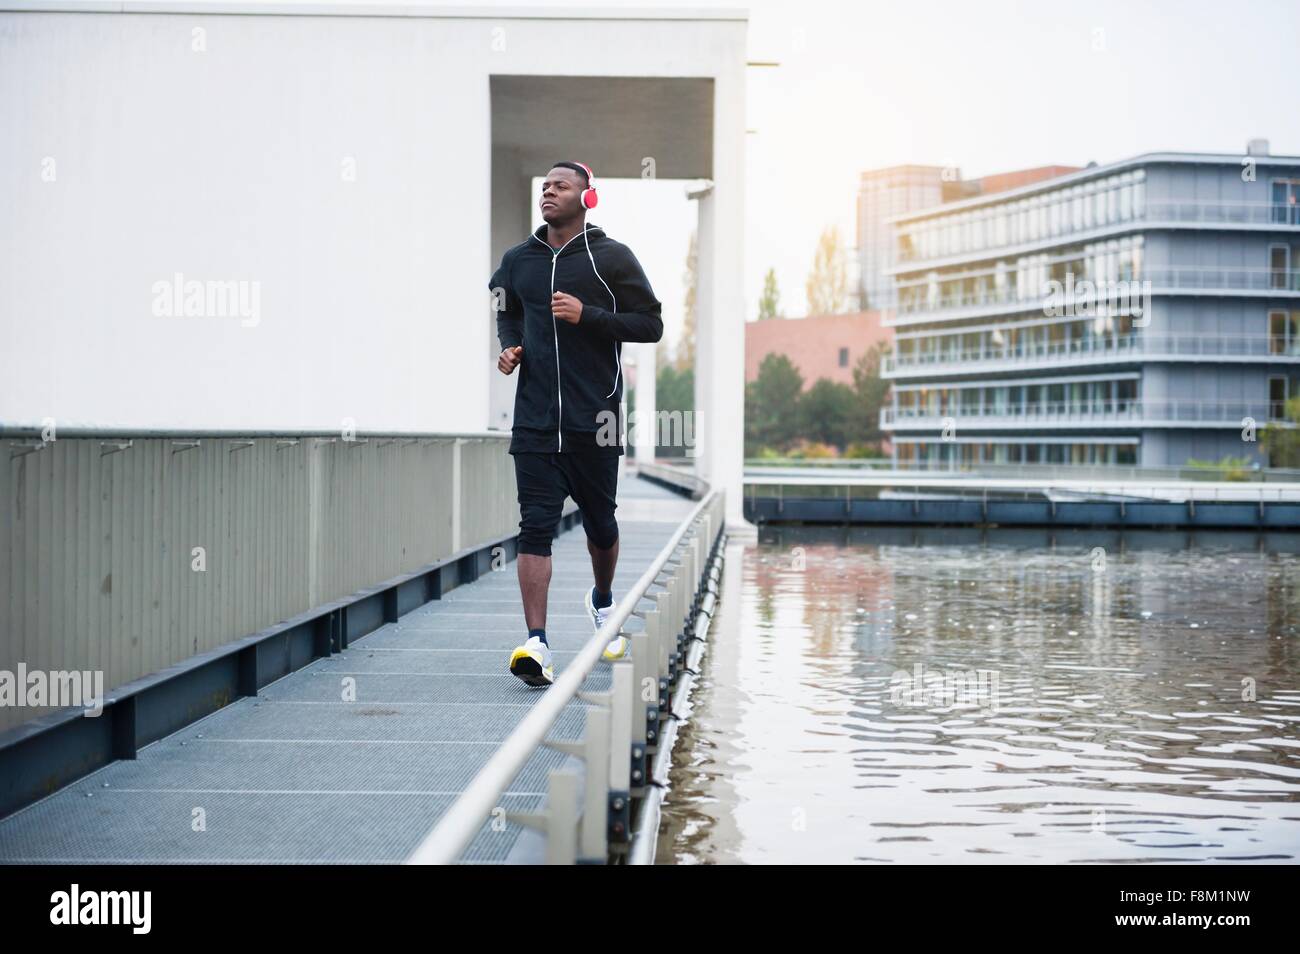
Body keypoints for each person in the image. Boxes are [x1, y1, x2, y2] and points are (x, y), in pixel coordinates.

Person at [490, 161, 664, 687]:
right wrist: (510, 345)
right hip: (537, 423)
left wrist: (589, 315)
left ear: (587, 199)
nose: (548, 192)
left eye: (560, 186)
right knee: (534, 528)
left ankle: (603, 600)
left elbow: (651, 324)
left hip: (599, 420)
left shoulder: (611, 257)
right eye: (543, 186)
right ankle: (536, 644)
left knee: (601, 525)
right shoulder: (519, 260)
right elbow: (505, 306)